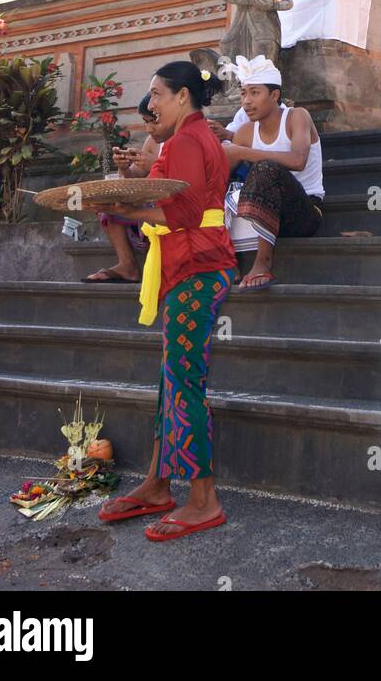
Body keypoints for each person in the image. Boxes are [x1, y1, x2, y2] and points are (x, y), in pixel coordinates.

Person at [86, 61, 236, 540]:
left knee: (184, 380)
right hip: (184, 265)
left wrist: (124, 208)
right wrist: (126, 202)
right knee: (170, 378)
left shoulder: (190, 139)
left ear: (182, 97)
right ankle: (156, 484)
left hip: (200, 265)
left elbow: (186, 212)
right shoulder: (181, 139)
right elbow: (169, 199)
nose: (150, 103)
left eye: (156, 94)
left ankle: (204, 498)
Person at [221, 54, 323, 292]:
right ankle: (226, 260)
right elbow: (220, 176)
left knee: (265, 168)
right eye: (244, 93)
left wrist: (242, 153)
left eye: (254, 93)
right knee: (222, 187)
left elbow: (298, 160)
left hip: (305, 211)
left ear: (274, 95)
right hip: (265, 213)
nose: (246, 101)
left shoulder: (297, 117)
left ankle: (262, 262)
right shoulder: (245, 132)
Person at [82, 95, 165, 284]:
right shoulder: (152, 142)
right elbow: (133, 178)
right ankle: (127, 265)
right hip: (147, 208)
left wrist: (156, 164)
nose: (149, 129)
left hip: (172, 211)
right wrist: (124, 167)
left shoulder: (185, 138)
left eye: (155, 121)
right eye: (146, 122)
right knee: (109, 201)